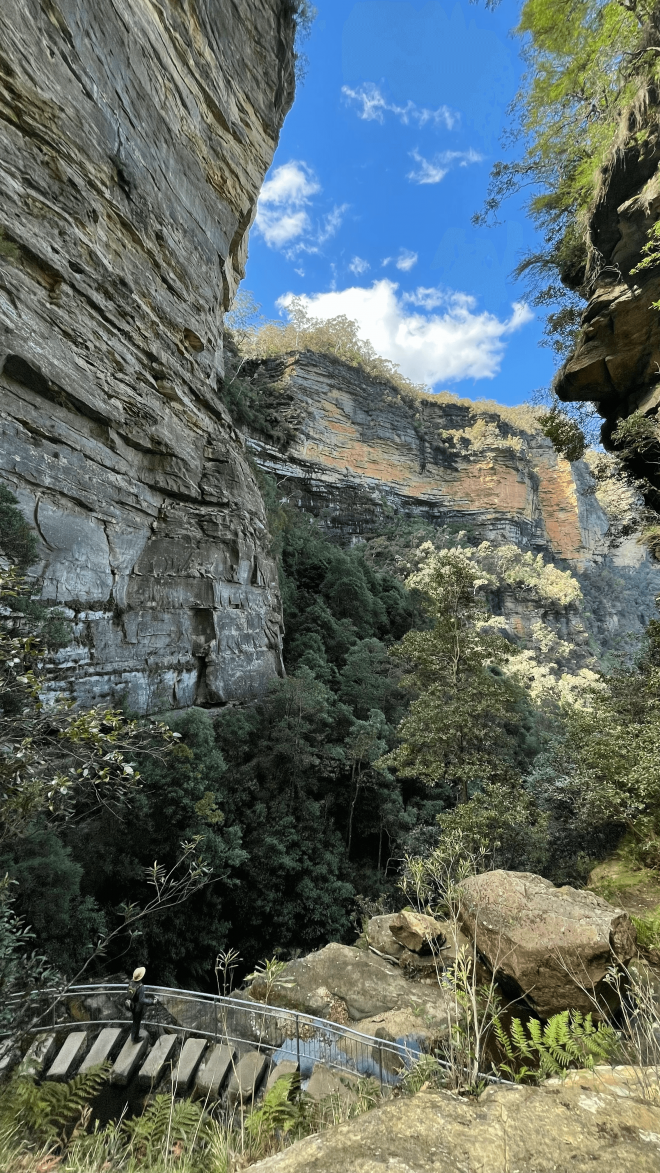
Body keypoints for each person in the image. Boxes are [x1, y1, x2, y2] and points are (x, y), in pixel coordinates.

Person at [127, 966, 156, 1043]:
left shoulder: (131, 982)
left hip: (131, 1005)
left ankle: (133, 1035)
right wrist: (152, 1002)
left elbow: (130, 994)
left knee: (134, 1021)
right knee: (137, 1022)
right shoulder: (141, 987)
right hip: (137, 1007)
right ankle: (135, 1038)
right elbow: (142, 1000)